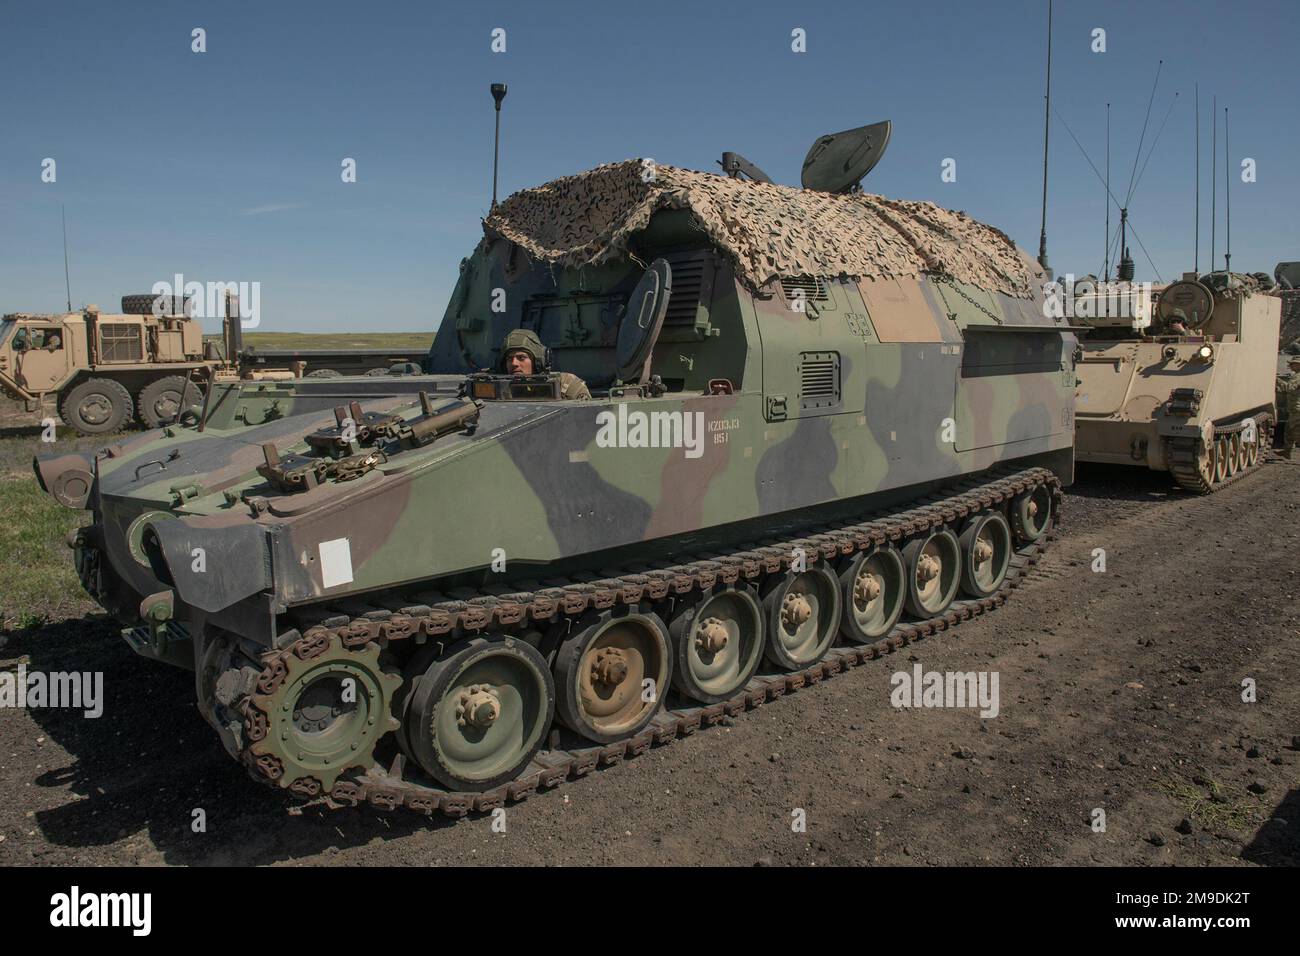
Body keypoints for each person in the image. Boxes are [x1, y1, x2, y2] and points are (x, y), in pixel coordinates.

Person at [500, 328, 590, 400]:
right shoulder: (499, 389)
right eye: (509, 358)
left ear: (538, 362)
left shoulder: (566, 385)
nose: (514, 363)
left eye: (521, 358)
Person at [1280, 357, 1300, 460]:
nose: (1290, 365)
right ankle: (1287, 451)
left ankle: (1287, 451)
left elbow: (1289, 388)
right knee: (1288, 430)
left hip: (1297, 409)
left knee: (1296, 433)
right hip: (1295, 408)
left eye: (1293, 364)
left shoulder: (1297, 377)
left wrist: (1278, 380)